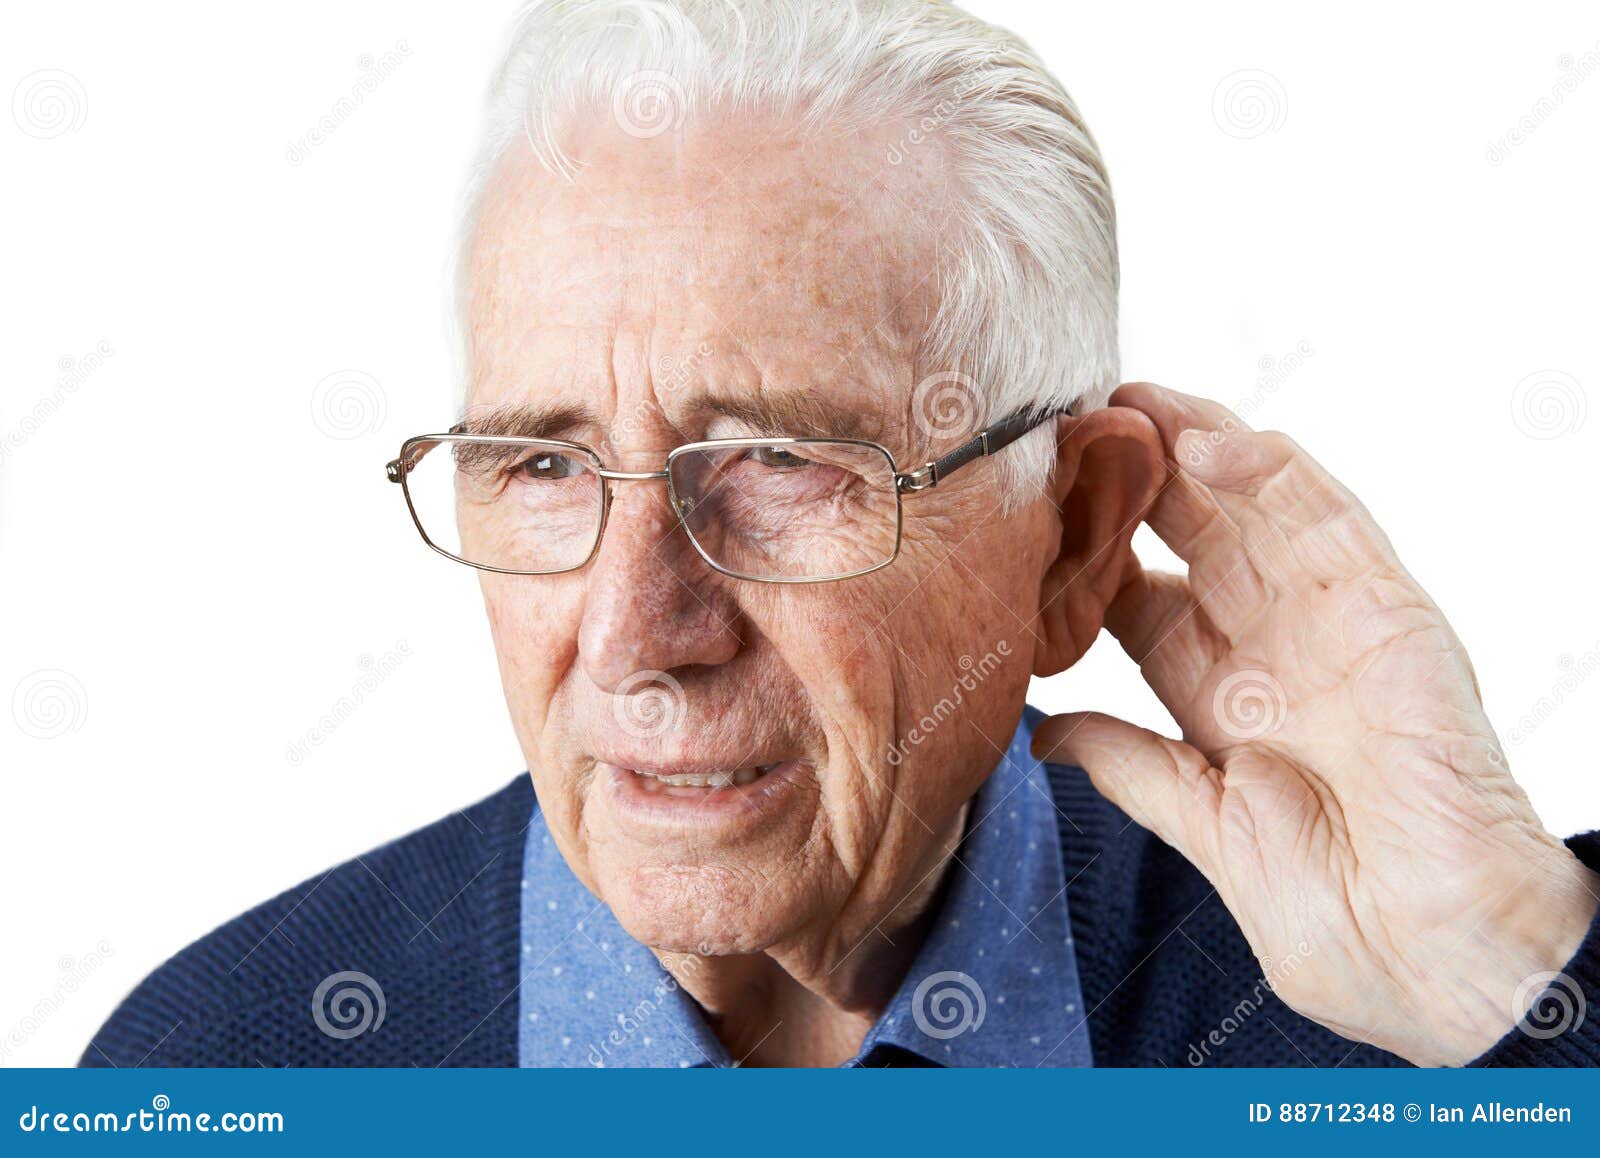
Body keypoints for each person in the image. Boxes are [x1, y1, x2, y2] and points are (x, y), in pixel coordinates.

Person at [85, 0, 1599, 1068]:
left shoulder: (1392, 1037)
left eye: (780, 463)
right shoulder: (223, 1066)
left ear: (1071, 536)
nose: (634, 636)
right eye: (543, 463)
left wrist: (1503, 964)